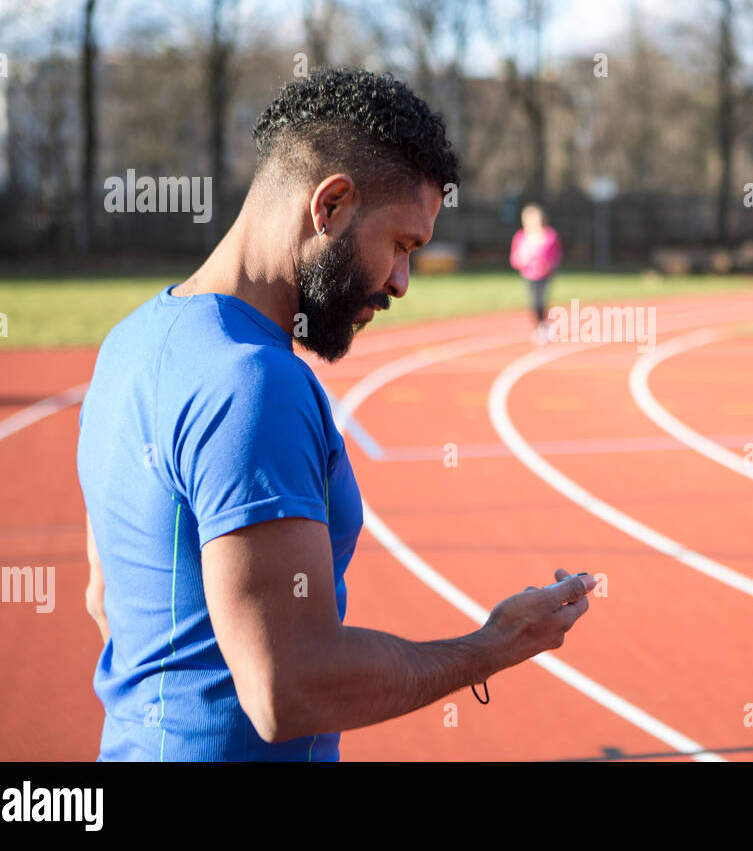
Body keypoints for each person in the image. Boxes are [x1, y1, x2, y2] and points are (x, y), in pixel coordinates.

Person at [77, 68, 597, 761]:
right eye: (402, 245)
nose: (402, 282)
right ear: (331, 205)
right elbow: (287, 690)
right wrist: (491, 647)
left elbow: (105, 596)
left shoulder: (129, 342)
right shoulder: (254, 385)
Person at [509, 203, 562, 343]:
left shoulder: (549, 236)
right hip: (528, 275)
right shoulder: (520, 237)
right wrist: (522, 261)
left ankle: (543, 326)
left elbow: (556, 256)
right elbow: (514, 258)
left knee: (540, 301)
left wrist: (547, 266)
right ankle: (541, 326)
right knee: (533, 304)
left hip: (544, 275)